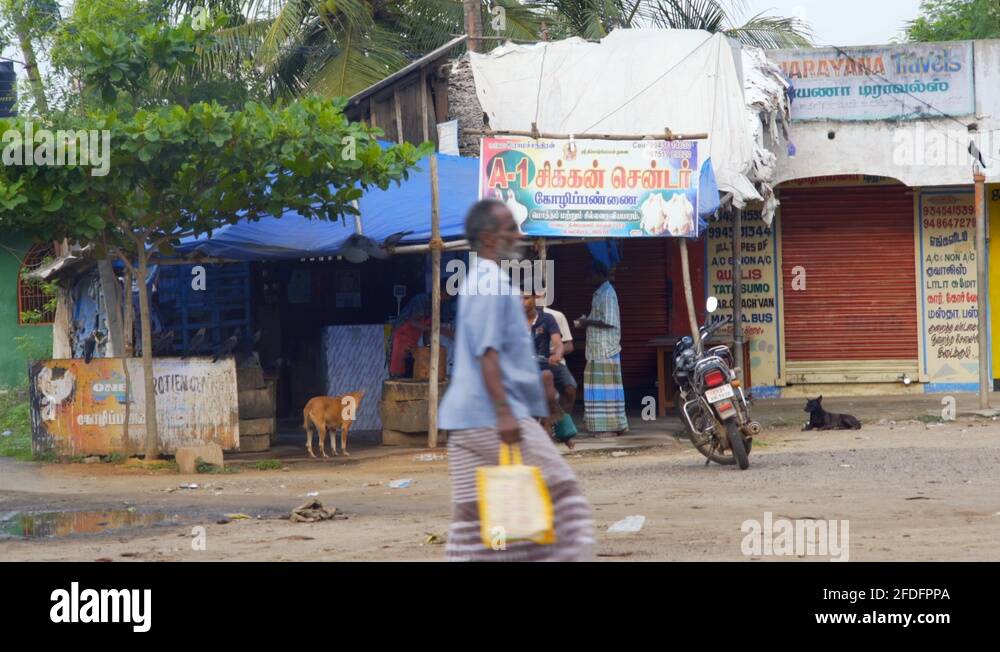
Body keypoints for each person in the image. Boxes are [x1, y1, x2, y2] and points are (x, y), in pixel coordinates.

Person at [438, 199, 594, 562]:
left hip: (465, 422)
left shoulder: (482, 279)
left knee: (471, 521)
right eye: (511, 228)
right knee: (564, 496)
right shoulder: (491, 283)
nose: (519, 235)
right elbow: (487, 353)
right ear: (491, 238)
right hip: (490, 416)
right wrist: (506, 411)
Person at [575, 262, 629, 437]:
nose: (587, 280)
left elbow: (609, 321)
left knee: (606, 390)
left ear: (598, 274)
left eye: (590, 276)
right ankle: (603, 425)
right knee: (600, 388)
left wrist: (586, 322)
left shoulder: (607, 294)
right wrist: (587, 320)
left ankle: (610, 427)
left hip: (605, 349)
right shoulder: (599, 293)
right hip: (597, 350)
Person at [523, 292, 578, 448]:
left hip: (547, 362)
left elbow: (559, 343)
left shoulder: (548, 318)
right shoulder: (512, 320)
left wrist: (557, 354)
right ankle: (550, 427)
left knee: (570, 388)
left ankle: (553, 422)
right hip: (525, 367)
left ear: (535, 298)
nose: (522, 302)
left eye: (526, 297)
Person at [534, 294, 578, 416]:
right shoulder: (516, 316)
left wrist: (556, 354)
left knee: (570, 388)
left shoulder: (555, 316)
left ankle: (562, 421)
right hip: (529, 363)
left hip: (553, 363)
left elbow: (568, 345)